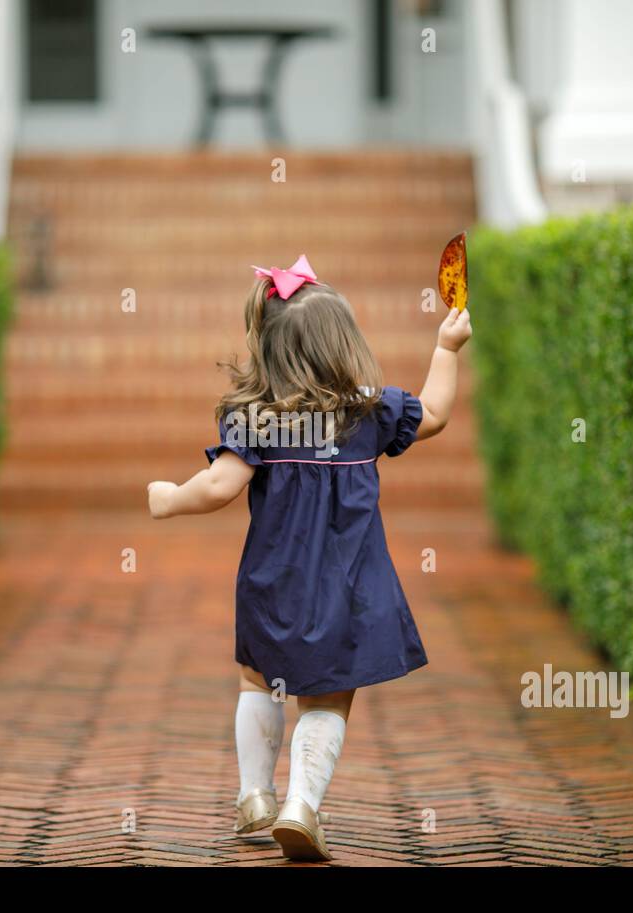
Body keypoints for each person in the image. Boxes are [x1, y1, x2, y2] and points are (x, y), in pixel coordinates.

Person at [147, 254, 472, 861]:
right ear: (343, 344)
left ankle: (253, 795)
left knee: (257, 681)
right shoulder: (371, 412)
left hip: (273, 584)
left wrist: (169, 499)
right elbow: (435, 413)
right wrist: (446, 347)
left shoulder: (255, 420)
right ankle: (302, 806)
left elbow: (219, 487)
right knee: (327, 699)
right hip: (349, 588)